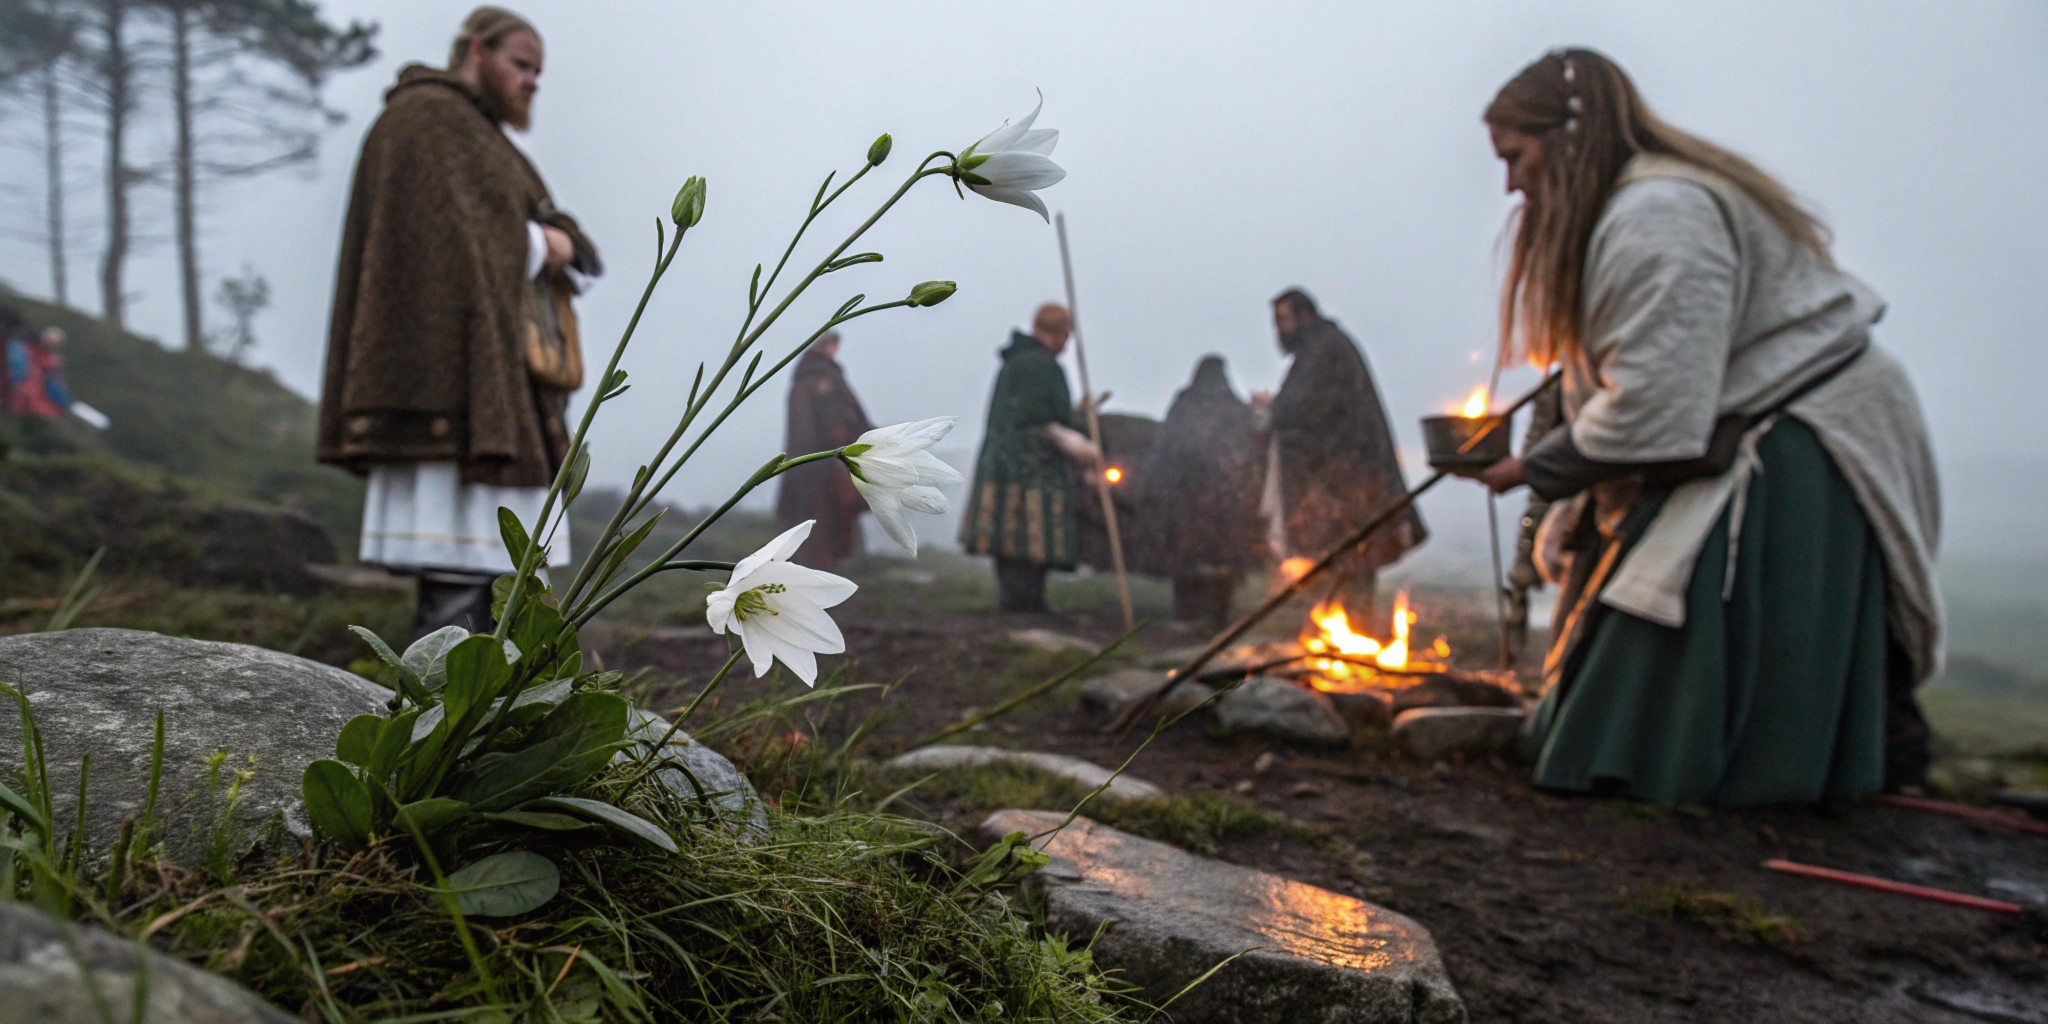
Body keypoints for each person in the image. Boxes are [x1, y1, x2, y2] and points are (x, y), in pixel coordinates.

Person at [1464, 49, 1940, 806]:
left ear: (1570, 139)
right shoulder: (1631, 212)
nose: (1511, 183)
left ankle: (1737, 778)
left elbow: (1658, 407)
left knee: (1657, 612)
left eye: (1516, 157)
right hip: (1732, 428)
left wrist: (1531, 470)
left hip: (1795, 441)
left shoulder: (1660, 215)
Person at [318, 7, 601, 641]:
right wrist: (541, 245)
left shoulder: (486, 140)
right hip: (446, 383)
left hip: (497, 385)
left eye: (538, 72)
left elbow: (555, 236)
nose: (531, 81)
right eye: (520, 64)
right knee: (459, 564)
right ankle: (440, 722)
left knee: (495, 571)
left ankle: (474, 720)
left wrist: (557, 243)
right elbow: (443, 241)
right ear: (476, 50)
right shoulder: (427, 120)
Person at [1253, 289, 1424, 628]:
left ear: (1303, 316)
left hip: (1348, 481)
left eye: (1283, 321)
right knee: (1343, 565)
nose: (1279, 332)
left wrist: (1271, 411)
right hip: (1343, 479)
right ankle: (1341, 639)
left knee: (1349, 563)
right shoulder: (1321, 348)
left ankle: (1350, 645)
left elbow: (1301, 408)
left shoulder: (1325, 349)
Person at [960, 303, 1102, 613]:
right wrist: (1078, 423)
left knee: (1008, 537)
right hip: (1032, 465)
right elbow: (1042, 417)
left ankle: (1015, 599)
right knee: (1030, 538)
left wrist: (1076, 415)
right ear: (1059, 334)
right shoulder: (1042, 366)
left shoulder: (1014, 362)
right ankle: (1026, 602)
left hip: (1002, 460)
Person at [1133, 355, 1264, 630]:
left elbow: (1165, 448)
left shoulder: (1186, 403)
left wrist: (1154, 486)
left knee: (1190, 560)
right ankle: (1217, 615)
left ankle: (1189, 614)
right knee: (1220, 561)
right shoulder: (1235, 409)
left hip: (1187, 502)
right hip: (1222, 504)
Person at [775, 331, 874, 570]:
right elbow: (803, 430)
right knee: (814, 524)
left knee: (835, 522)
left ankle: (831, 573)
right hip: (815, 466)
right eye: (831, 345)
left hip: (834, 463)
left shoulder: (830, 377)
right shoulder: (811, 382)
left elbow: (853, 416)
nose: (833, 350)